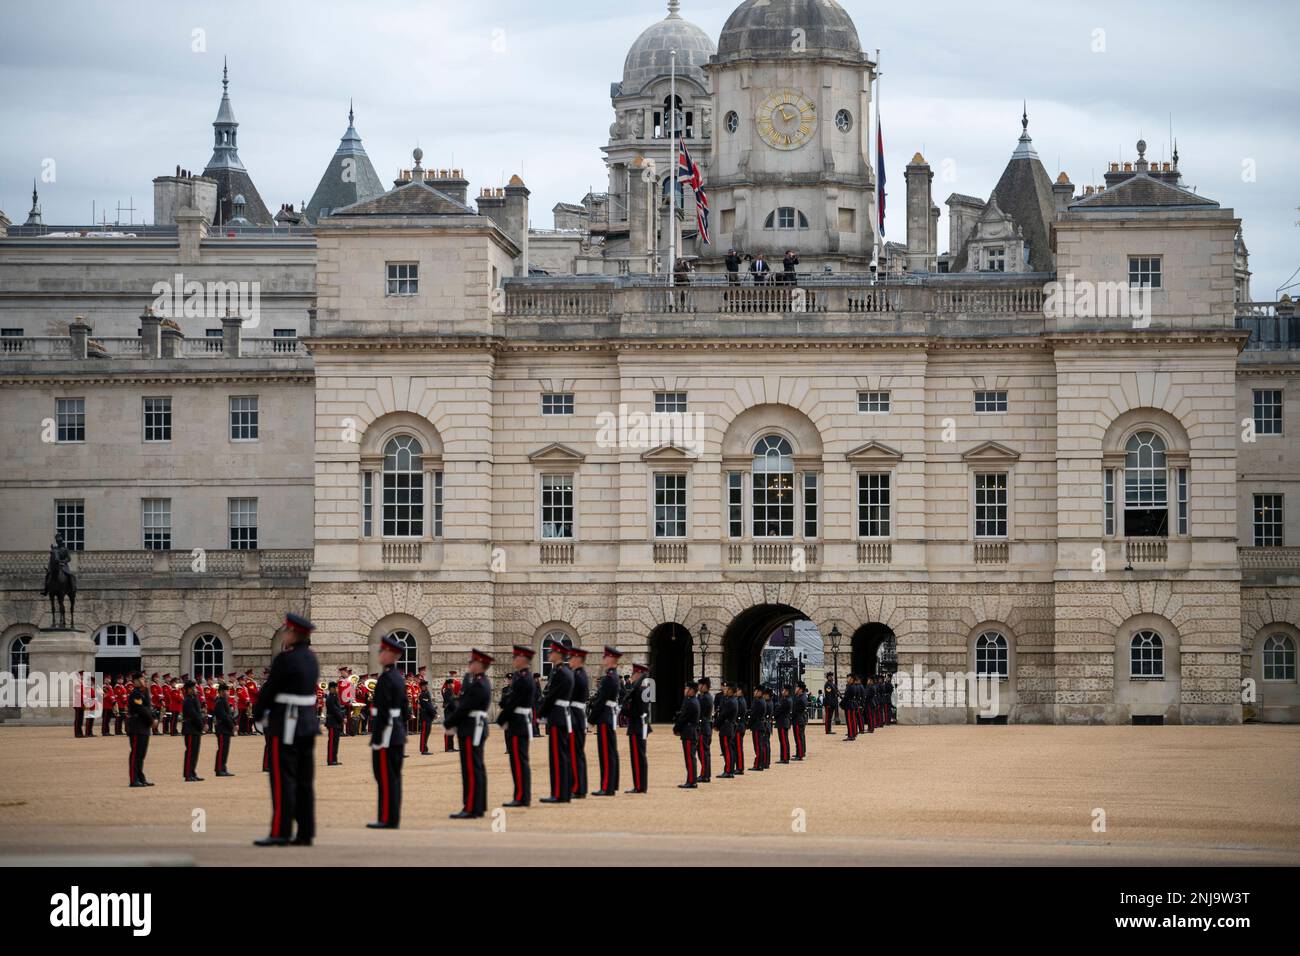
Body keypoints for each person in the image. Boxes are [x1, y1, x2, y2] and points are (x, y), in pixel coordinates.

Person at [252, 613, 320, 847]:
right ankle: (305, 831)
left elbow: (269, 691)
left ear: (294, 634)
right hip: (307, 725)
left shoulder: (285, 659)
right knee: (304, 781)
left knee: (283, 780)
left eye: (287, 631)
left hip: (287, 725)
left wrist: (259, 715)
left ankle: (281, 831)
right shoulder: (312, 659)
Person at [367, 633, 410, 830]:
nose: (380, 654)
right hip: (396, 732)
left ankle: (386, 818)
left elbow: (383, 712)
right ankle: (392, 817)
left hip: (387, 733)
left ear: (392, 654)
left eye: (384, 651)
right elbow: (404, 709)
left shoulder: (386, 678)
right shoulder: (398, 678)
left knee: (384, 776)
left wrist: (377, 738)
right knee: (393, 777)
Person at [446, 648, 493, 819]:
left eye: (472, 662)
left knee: (471, 769)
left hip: (471, 728)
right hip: (475, 726)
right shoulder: (481, 682)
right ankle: (478, 805)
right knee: (476, 767)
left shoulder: (478, 684)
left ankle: (471, 807)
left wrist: (449, 722)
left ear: (479, 664)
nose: (469, 665)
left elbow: (465, 707)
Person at [498, 645, 535, 807]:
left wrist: (502, 718)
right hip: (520, 720)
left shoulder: (522, 678)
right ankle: (522, 795)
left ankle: (521, 796)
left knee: (518, 761)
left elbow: (513, 701)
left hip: (517, 721)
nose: (514, 660)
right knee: (520, 760)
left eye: (516, 657)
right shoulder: (524, 677)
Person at [539, 641, 573, 804]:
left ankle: (558, 793)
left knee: (557, 756)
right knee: (562, 755)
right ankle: (563, 792)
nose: (548, 655)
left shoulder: (559, 673)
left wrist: (541, 714)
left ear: (558, 654)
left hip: (557, 716)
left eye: (551, 652)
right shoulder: (564, 671)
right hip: (562, 715)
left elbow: (551, 696)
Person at [589, 646, 623, 796]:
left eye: (605, 657)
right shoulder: (613, 676)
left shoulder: (609, 678)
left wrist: (591, 719)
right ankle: (612, 784)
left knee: (606, 753)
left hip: (604, 716)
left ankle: (607, 786)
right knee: (611, 752)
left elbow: (601, 700)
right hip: (609, 715)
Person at [567, 645, 591, 799]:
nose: (569, 660)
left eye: (571, 658)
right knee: (577, 753)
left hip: (575, 714)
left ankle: (577, 787)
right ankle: (579, 786)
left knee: (575, 753)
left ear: (577, 659)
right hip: (578, 714)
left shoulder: (577, 676)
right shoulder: (581, 674)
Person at [624, 662, 651, 793]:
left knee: (637, 756)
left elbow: (637, 711)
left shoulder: (639, 690)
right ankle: (640, 784)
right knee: (639, 756)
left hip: (636, 726)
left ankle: (639, 785)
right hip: (639, 725)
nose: (632, 676)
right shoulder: (641, 689)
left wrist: (623, 711)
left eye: (634, 673)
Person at [126, 673, 155, 787]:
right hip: (137, 726)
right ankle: (134, 779)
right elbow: (141, 709)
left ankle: (140, 777)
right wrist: (151, 721)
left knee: (142, 754)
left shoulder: (143, 693)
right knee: (136, 754)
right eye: (142, 679)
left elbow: (149, 707)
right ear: (136, 681)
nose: (144, 680)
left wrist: (146, 690)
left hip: (144, 727)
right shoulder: (135, 694)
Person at [673, 680, 699, 789]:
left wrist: (676, 728)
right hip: (690, 731)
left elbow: (683, 718)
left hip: (688, 732)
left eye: (686, 688)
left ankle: (692, 781)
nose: (685, 690)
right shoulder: (692, 700)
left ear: (691, 690)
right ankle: (691, 779)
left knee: (689, 757)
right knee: (689, 757)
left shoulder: (690, 702)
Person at [181, 681, 205, 782]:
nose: (196, 690)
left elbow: (198, 713)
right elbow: (194, 715)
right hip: (190, 728)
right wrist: (201, 725)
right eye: (194, 688)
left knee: (195, 752)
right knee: (190, 752)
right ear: (189, 689)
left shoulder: (193, 699)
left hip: (195, 728)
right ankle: (188, 774)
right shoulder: (187, 700)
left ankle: (192, 772)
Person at [213, 682, 236, 777]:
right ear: (222, 692)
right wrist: (232, 725)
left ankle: (223, 768)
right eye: (227, 690)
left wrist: (234, 723)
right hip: (222, 728)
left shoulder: (224, 701)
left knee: (225, 750)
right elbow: (224, 716)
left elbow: (229, 715)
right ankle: (219, 769)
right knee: (222, 750)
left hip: (226, 729)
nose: (228, 692)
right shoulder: (220, 702)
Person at [715, 683, 737, 778]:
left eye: (727, 688)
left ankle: (728, 771)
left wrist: (716, 725)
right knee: (729, 750)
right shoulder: (730, 700)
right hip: (728, 727)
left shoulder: (730, 702)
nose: (724, 690)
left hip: (726, 728)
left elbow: (723, 715)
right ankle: (730, 769)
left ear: (731, 691)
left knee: (727, 750)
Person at [695, 676, 713, 783]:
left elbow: (699, 711)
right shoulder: (704, 696)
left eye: (700, 685)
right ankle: (705, 774)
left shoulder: (704, 698)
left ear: (704, 686)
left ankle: (704, 774)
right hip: (704, 726)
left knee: (703, 752)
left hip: (703, 727)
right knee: (703, 752)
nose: (698, 687)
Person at [324, 680, 344, 765]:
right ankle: (331, 760)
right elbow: (335, 711)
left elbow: (338, 709)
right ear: (332, 688)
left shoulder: (334, 697)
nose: (337, 689)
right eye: (336, 688)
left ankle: (334, 759)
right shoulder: (331, 698)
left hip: (335, 722)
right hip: (333, 722)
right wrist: (342, 719)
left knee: (335, 742)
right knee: (332, 742)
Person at [417, 679, 437, 755]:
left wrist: (434, 712)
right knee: (424, 733)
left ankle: (425, 748)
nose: (426, 686)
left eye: (426, 685)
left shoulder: (427, 693)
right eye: (424, 686)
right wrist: (434, 713)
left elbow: (430, 705)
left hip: (428, 715)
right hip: (425, 715)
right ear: (421, 687)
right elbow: (428, 706)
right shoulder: (423, 695)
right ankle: (423, 749)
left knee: (427, 732)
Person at [774, 685, 793, 764]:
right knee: (784, 740)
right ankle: (785, 756)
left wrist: (774, 714)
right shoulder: (787, 699)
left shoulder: (785, 700)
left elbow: (778, 710)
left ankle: (785, 758)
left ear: (787, 692)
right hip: (784, 721)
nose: (782, 692)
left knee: (783, 741)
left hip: (782, 722)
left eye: (784, 690)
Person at [440, 676, 457, 752]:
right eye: (452, 683)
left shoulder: (451, 691)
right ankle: (448, 747)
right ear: (449, 685)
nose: (454, 685)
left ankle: (451, 747)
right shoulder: (448, 691)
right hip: (449, 712)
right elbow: (451, 703)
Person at [792, 682, 809, 760]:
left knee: (799, 737)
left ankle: (800, 754)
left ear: (800, 689)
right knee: (798, 737)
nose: (795, 689)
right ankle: (799, 752)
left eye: (797, 688)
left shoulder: (801, 698)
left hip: (798, 720)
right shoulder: (799, 696)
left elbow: (796, 710)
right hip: (798, 719)